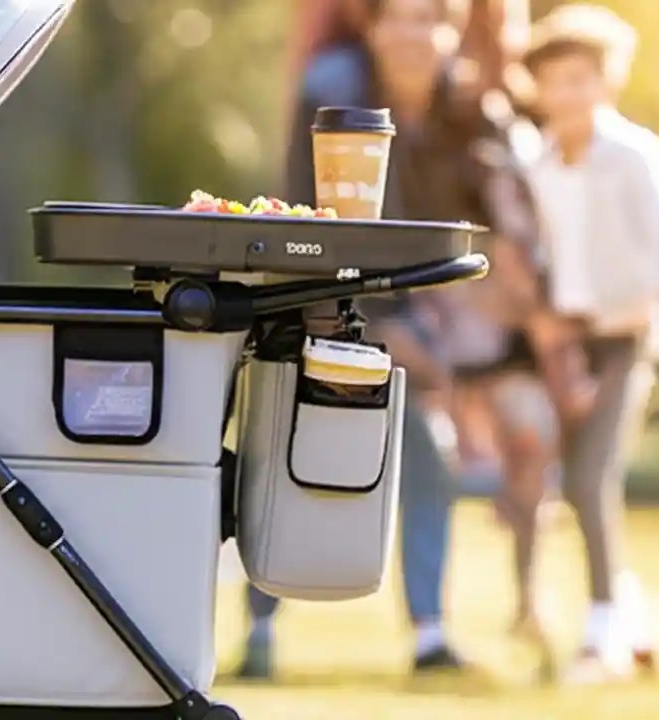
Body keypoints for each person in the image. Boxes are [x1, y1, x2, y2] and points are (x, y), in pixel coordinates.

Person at [238, 0, 526, 678]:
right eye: (401, 17)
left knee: (429, 461)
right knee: (288, 458)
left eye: (432, 19)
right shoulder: (330, 94)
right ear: (372, 27)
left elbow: (498, 221)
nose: (416, 34)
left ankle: (429, 634)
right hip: (320, 303)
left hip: (428, 313)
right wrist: (385, 333)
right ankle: (259, 633)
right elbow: (310, 230)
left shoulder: (471, 107)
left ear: (452, 30)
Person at [520, 4, 659, 683]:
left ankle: (601, 635)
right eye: (553, 81)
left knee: (588, 479)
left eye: (579, 79)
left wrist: (601, 323)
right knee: (556, 489)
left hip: (625, 343)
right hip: (556, 349)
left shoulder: (636, 156)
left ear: (606, 82)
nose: (565, 95)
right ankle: (631, 623)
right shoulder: (536, 164)